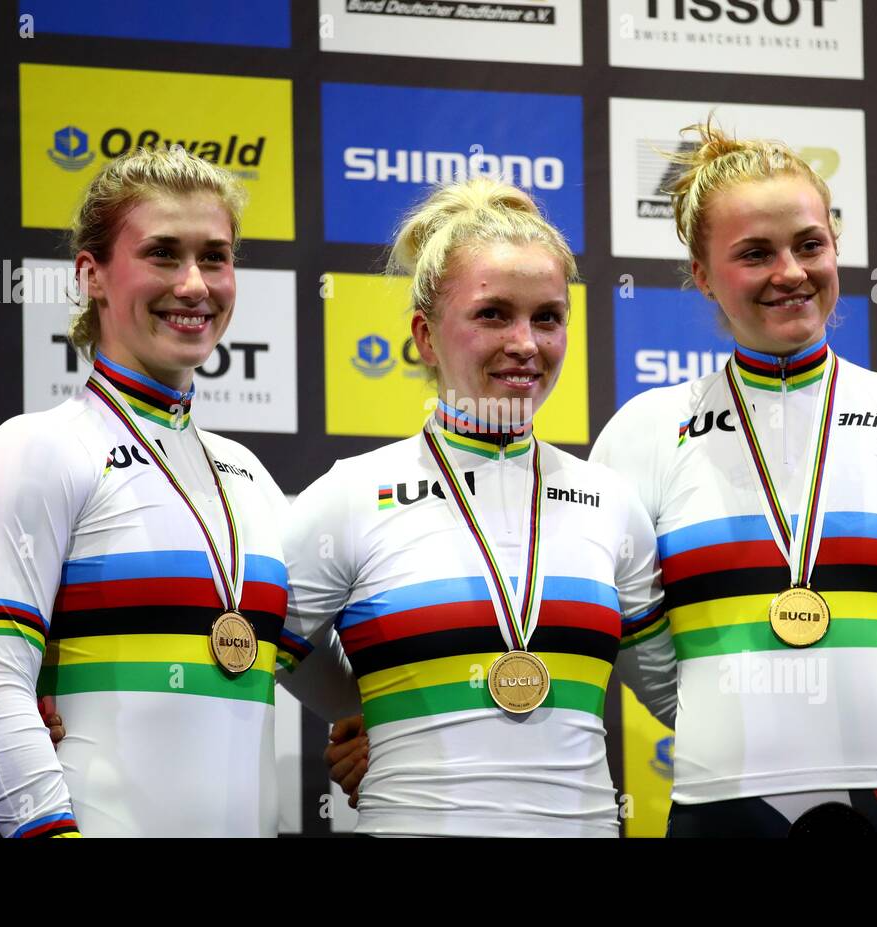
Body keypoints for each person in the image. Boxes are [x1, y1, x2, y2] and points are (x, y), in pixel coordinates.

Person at [588, 121, 877, 837]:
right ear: (702, 274)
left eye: (809, 244)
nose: (790, 271)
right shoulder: (642, 434)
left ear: (835, 246)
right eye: (754, 253)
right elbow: (646, 666)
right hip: (720, 811)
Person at [0, 147, 357, 838]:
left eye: (216, 256)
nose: (195, 284)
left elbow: (320, 674)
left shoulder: (250, 478)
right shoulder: (38, 449)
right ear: (92, 275)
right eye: (164, 254)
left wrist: (392, 724)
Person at [281, 177, 678, 836]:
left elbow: (673, 695)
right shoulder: (351, 495)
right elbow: (270, 644)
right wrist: (371, 707)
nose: (524, 342)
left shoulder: (611, 502)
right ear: (427, 336)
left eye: (547, 316)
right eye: (493, 313)